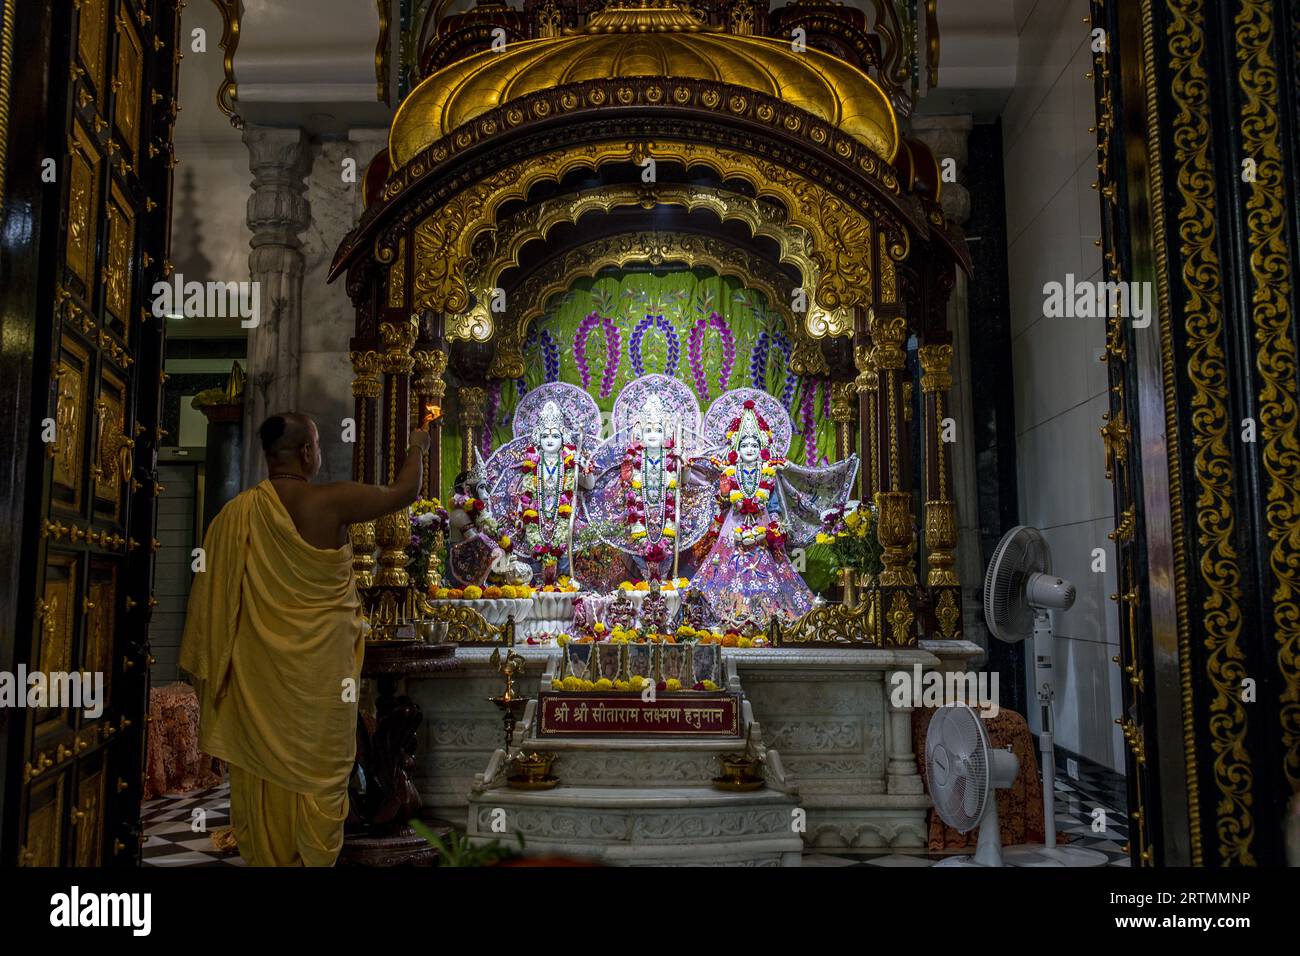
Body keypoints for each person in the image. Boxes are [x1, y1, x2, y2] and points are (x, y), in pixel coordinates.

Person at [180, 412, 430, 866]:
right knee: (320, 780)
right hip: (320, 680)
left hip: (258, 685)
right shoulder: (329, 502)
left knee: (261, 779)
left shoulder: (234, 517)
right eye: (317, 443)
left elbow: (215, 612)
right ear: (307, 453)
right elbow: (404, 492)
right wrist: (417, 444)